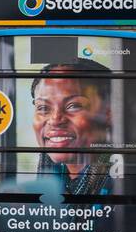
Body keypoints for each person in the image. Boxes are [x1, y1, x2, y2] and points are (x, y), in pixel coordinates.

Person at [30, 59, 114, 195]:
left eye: (74, 106)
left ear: (109, 113)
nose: (55, 120)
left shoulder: (127, 181)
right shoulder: (48, 182)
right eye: (43, 107)